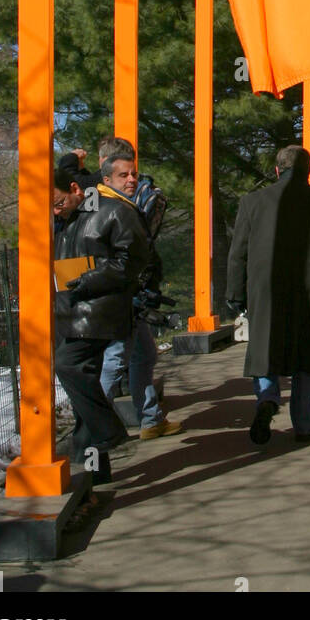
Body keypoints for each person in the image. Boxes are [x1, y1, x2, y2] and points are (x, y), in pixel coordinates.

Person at [226, 144, 310, 446]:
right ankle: (305, 423)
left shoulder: (252, 201)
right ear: (308, 171)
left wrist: (235, 293)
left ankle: (267, 400)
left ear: (276, 170)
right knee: (307, 353)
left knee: (264, 347)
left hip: (265, 288)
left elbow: (238, 254)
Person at [52, 165, 150, 483]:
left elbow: (130, 262)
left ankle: (108, 431)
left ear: (75, 190)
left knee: (69, 365)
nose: (55, 209)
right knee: (84, 397)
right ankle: (94, 468)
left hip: (96, 311)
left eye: (58, 202)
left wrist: (87, 280)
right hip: (74, 310)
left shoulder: (115, 212)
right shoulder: (69, 216)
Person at [92, 140, 184, 441]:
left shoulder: (116, 205)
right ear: (107, 179)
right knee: (115, 361)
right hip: (121, 299)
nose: (132, 180)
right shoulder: (114, 210)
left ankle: (150, 418)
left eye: (134, 174)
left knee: (143, 355)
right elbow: (116, 258)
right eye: (124, 176)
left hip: (129, 297)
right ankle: (92, 429)